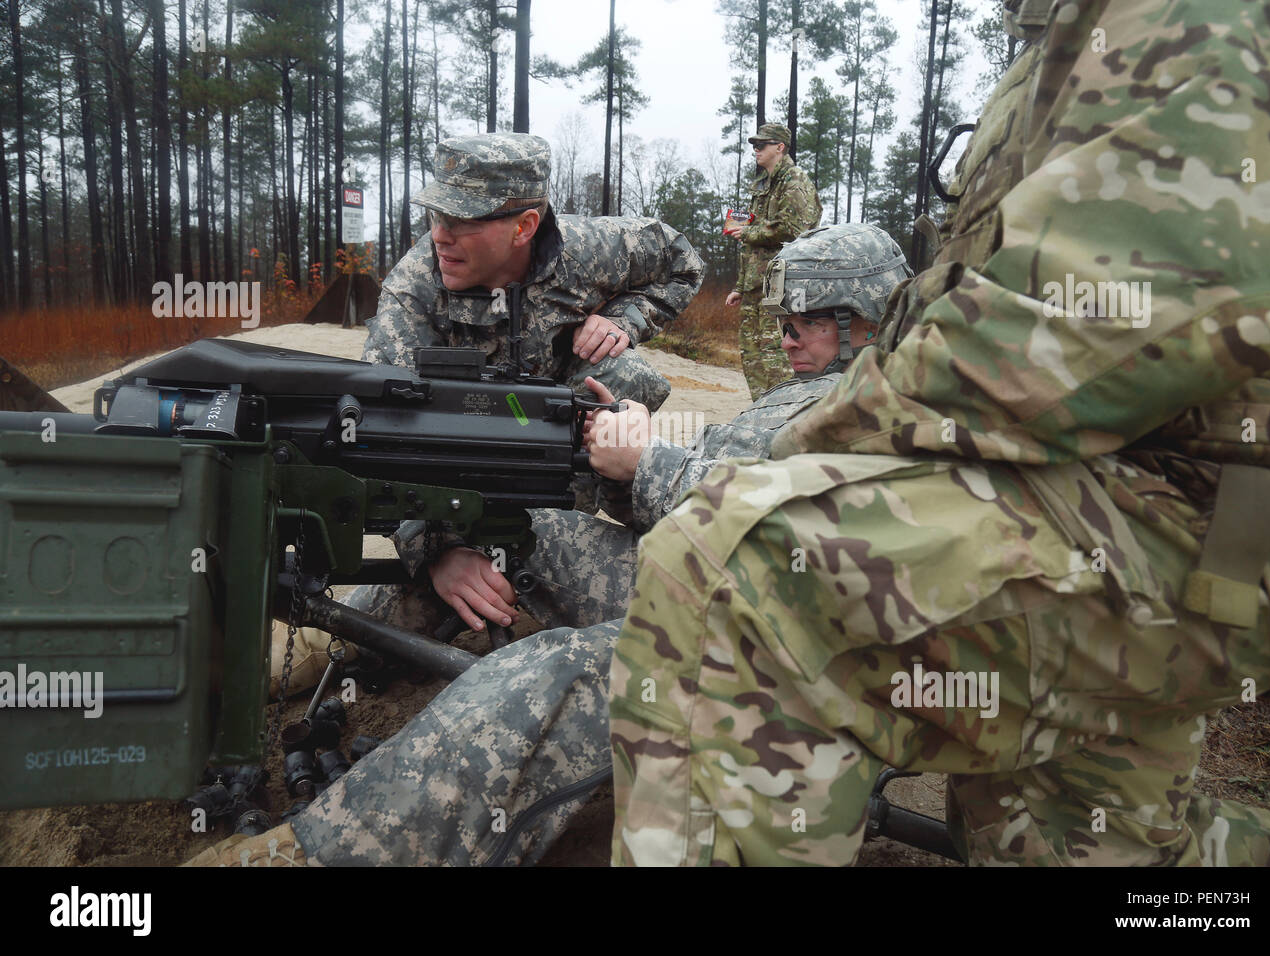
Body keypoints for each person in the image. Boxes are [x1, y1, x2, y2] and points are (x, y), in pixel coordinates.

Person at [609, 0, 1270, 866]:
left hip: (1213, 531)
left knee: (732, 575)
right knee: (1071, 850)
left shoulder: (1204, 16)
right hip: (1102, 499)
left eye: (812, 321)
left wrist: (777, 454)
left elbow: (1048, 346)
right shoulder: (1060, 33)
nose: (792, 339)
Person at [183, 224, 912, 865]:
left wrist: (652, 463)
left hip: (794, 656)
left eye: (806, 323)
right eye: (782, 320)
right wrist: (619, 460)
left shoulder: (888, 409)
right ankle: (323, 650)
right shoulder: (826, 389)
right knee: (520, 528)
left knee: (558, 674)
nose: (785, 338)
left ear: (867, 323)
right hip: (721, 596)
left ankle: (318, 854)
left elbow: (792, 541)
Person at [269, 132, 705, 696]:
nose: (439, 237)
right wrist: (438, 552)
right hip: (459, 474)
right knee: (369, 644)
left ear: (523, 227)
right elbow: (377, 442)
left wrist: (626, 318)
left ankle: (601, 534)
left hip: (570, 447)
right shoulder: (415, 289)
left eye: (461, 220)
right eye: (434, 216)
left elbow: (682, 261)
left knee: (624, 381)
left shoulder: (595, 249)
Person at [724, 124, 822, 401]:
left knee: (777, 354)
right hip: (757, 285)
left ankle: (785, 412)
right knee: (752, 355)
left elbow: (796, 228)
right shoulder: (762, 185)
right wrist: (741, 287)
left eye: (762, 145)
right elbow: (751, 245)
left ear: (780, 147)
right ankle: (763, 411)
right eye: (754, 146)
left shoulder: (795, 181)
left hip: (782, 285)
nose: (756, 150)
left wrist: (750, 231)